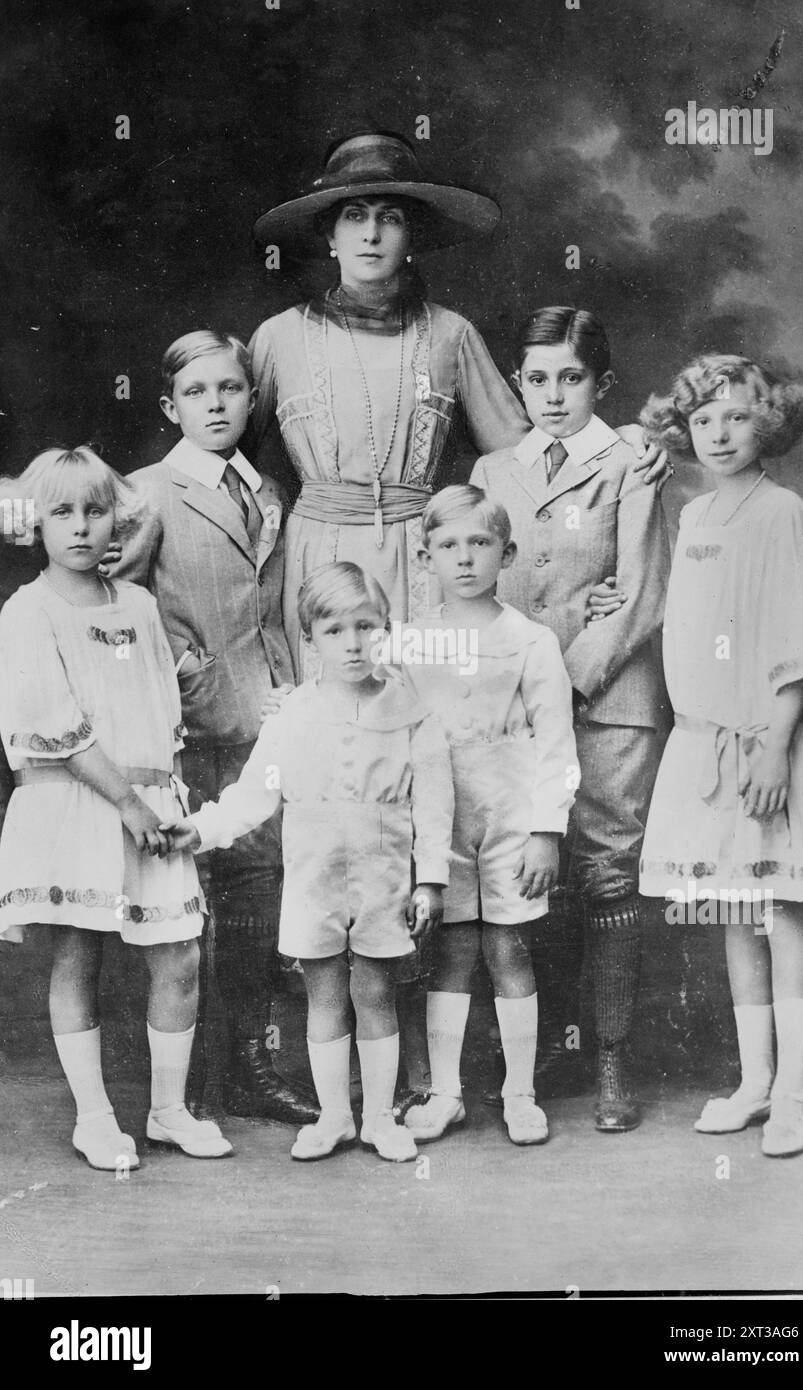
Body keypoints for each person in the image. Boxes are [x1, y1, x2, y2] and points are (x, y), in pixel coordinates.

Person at [249, 128, 669, 1105]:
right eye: (354, 213)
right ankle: (293, 1047)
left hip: (426, 575)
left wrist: (638, 457)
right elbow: (225, 452)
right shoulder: (277, 340)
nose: (371, 232)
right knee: (323, 787)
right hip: (321, 562)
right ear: (326, 231)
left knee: (418, 792)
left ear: (415, 236)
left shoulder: (451, 336)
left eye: (391, 215)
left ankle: (411, 1061)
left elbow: (530, 459)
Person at [162, 562, 454, 1163]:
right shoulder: (292, 716)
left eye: (367, 627)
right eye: (335, 630)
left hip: (383, 881)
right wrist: (200, 828)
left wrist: (430, 882)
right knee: (324, 997)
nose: (353, 643)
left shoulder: (412, 713)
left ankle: (379, 1118)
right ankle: (334, 1117)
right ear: (310, 639)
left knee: (375, 993)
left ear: (386, 631)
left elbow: (434, 804)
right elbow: (253, 794)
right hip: (314, 881)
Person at [638, 354, 803, 1157]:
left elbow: (797, 633)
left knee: (782, 908)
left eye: (734, 416)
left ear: (765, 422)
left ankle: (792, 1091)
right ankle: (752, 1081)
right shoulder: (693, 516)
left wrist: (771, 744)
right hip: (705, 746)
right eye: (702, 420)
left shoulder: (780, 510)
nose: (718, 433)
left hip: (771, 742)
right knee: (731, 910)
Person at [107, 330, 318, 1125]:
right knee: (189, 907)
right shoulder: (148, 491)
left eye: (230, 389)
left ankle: (248, 1066)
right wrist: (178, 668)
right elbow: (111, 607)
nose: (217, 404)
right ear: (169, 407)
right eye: (197, 393)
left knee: (255, 893)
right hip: (188, 729)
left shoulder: (266, 491)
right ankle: (189, 1082)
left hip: (261, 723)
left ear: (251, 398)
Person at [0, 447, 231, 1169]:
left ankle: (166, 1110)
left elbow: (160, 704)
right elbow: (53, 720)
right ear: (33, 522)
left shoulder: (137, 605)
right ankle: (95, 1118)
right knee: (77, 955)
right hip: (76, 801)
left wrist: (163, 793)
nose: (79, 527)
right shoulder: (27, 610)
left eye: (94, 511)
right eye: (60, 512)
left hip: (147, 801)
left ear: (116, 520)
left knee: (178, 956)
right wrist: (125, 800)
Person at [471, 307, 670, 1132]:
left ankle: (613, 1058)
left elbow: (642, 591)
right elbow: (489, 586)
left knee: (605, 870)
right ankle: (553, 1044)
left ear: (602, 383)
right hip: (519, 710)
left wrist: (566, 667)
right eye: (538, 377)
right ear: (518, 380)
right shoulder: (493, 470)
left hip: (609, 700)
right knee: (530, 876)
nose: (553, 395)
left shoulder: (630, 461)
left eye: (572, 378)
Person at [398, 485, 579, 1146]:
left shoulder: (530, 640)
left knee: (506, 945)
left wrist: (545, 831)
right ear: (426, 556)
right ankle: (444, 1093)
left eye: (479, 544)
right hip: (439, 815)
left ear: (505, 553)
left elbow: (555, 741)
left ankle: (519, 1093)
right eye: (448, 546)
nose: (465, 559)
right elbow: (394, 730)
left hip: (510, 810)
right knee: (449, 949)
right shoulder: (410, 643)